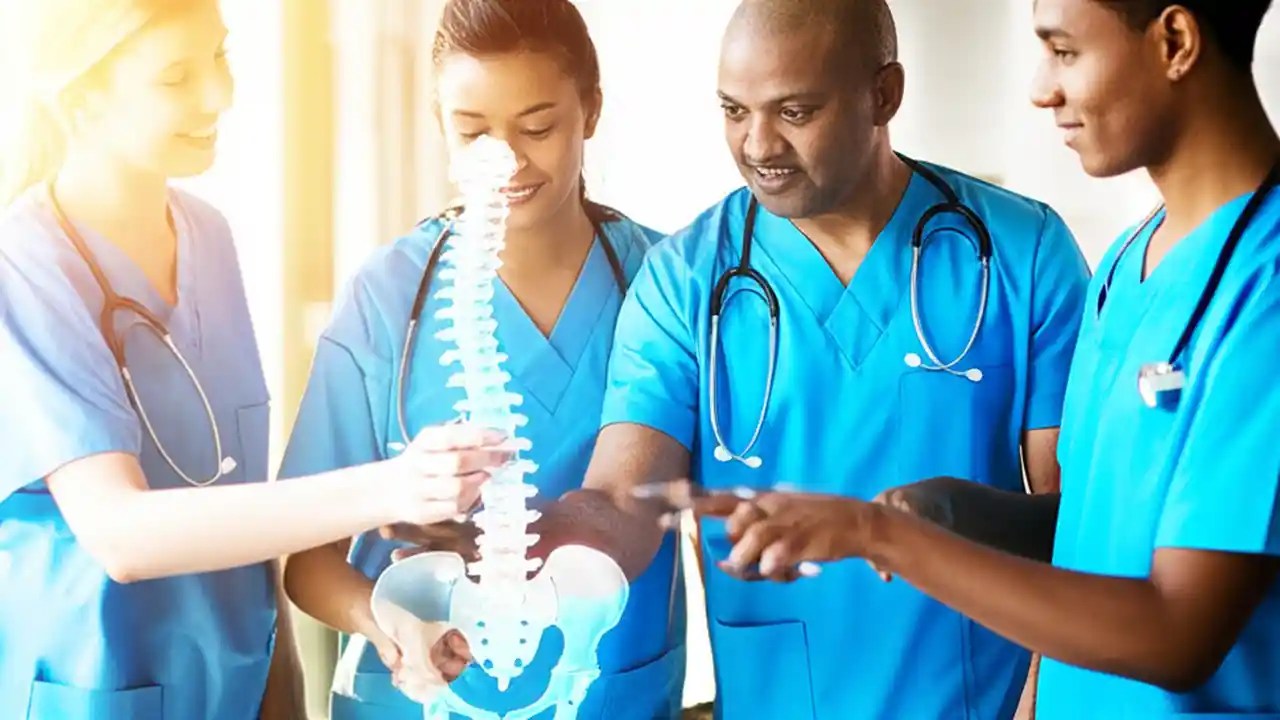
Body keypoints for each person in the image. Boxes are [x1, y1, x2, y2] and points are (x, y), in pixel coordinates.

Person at [402, 0, 1090, 717]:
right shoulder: (685, 282)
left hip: (984, 696)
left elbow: (1070, 520)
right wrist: (514, 546)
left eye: (794, 112)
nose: (759, 145)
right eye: (735, 111)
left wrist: (1043, 697)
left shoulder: (1021, 251)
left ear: (883, 94)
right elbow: (619, 502)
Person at [683, 1, 1280, 718]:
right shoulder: (1129, 265)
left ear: (1176, 41)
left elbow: (1179, 635)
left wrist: (884, 536)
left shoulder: (1265, 287)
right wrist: (957, 510)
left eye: (1063, 52)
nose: (1040, 88)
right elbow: (1092, 524)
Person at [0, 1, 498, 718]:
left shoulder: (208, 237)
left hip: (235, 683)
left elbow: (240, 497)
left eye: (219, 57)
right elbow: (121, 534)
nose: (218, 94)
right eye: (176, 76)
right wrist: (396, 486)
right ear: (79, 96)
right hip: (93, 691)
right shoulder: (26, 265)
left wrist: (294, 680)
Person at [278, 1, 687, 718]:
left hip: (608, 693)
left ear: (589, 110)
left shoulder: (666, 283)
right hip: (417, 702)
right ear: (441, 127)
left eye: (538, 127)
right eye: (472, 131)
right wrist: (392, 626)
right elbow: (306, 562)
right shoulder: (388, 296)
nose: (508, 159)